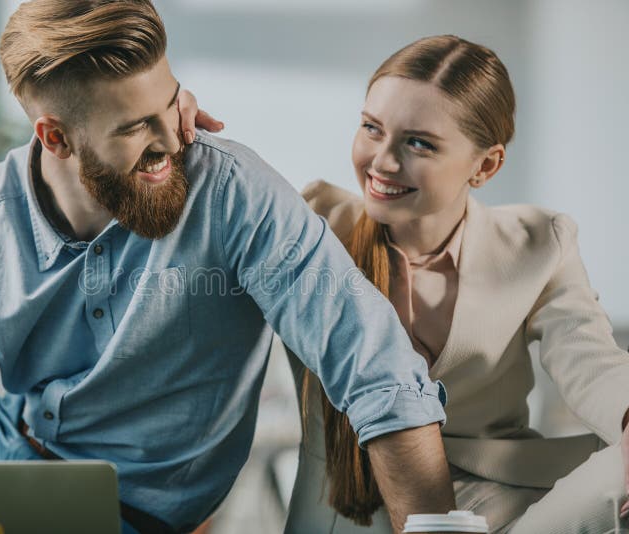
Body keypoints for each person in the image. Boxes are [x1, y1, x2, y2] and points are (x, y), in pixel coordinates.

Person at [0, 3, 459, 533]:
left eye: (171, 102)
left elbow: (377, 370)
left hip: (127, 513)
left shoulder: (233, 193)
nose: (175, 138)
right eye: (135, 126)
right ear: (55, 137)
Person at [260, 35, 629, 534]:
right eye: (372, 128)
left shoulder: (538, 243)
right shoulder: (313, 223)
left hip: (504, 501)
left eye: (419, 143)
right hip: (351, 505)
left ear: (486, 165)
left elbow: (593, 363)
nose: (382, 162)